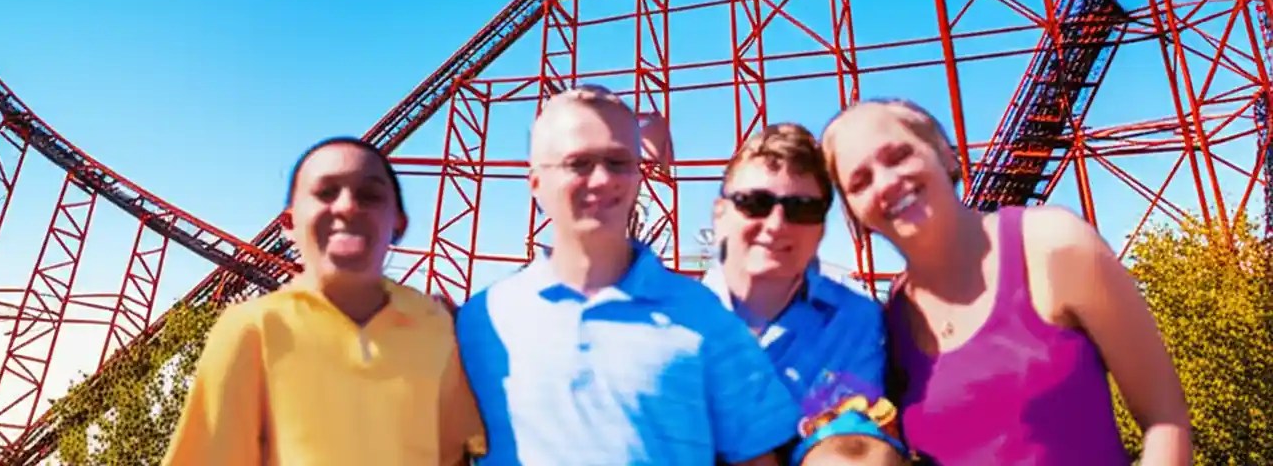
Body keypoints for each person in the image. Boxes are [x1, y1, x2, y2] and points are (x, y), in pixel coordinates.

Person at [820, 99, 1191, 465]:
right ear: (854, 212)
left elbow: (1165, 418)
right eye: (860, 181)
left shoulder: (1053, 245)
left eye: (899, 156)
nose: (885, 183)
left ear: (946, 155)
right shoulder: (893, 318)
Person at [455, 85, 800, 465]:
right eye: (578, 163)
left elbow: (757, 457)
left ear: (638, 175)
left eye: (618, 162)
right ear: (536, 182)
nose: (602, 179)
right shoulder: (482, 319)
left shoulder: (706, 316)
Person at [162, 137, 486, 466]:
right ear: (289, 224)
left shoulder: (434, 324)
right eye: (325, 192)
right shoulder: (251, 329)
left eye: (370, 195)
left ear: (399, 222)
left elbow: (456, 452)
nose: (347, 206)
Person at [702, 123, 909, 465]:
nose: (777, 224)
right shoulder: (665, 321)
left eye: (802, 209)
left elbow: (854, 449)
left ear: (821, 228)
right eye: (755, 203)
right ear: (720, 214)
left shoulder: (855, 321)